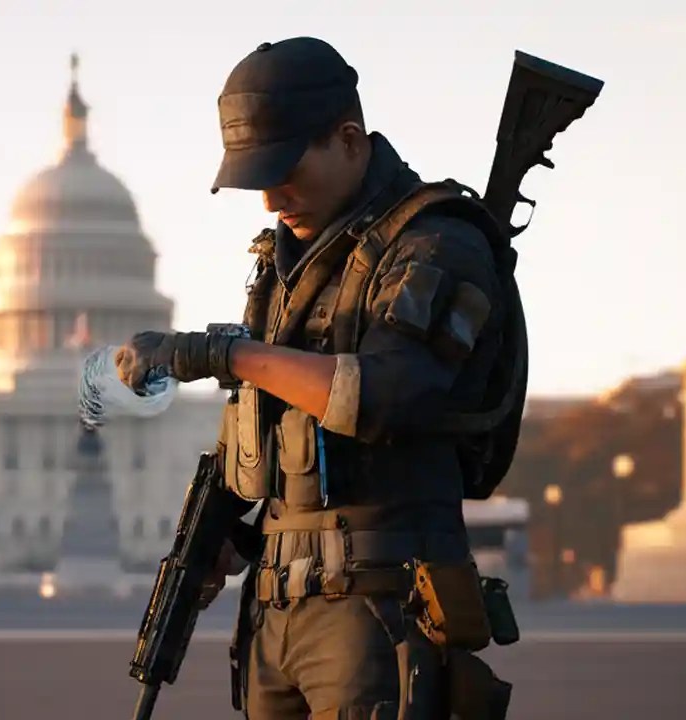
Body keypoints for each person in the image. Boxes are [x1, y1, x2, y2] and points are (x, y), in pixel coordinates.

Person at [116, 37, 508, 719]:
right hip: (275, 612)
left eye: (284, 169)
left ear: (348, 139)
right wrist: (231, 539)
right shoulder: (281, 267)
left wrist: (221, 354)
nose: (271, 199)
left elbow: (383, 395)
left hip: (381, 611)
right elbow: (274, 429)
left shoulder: (438, 242)